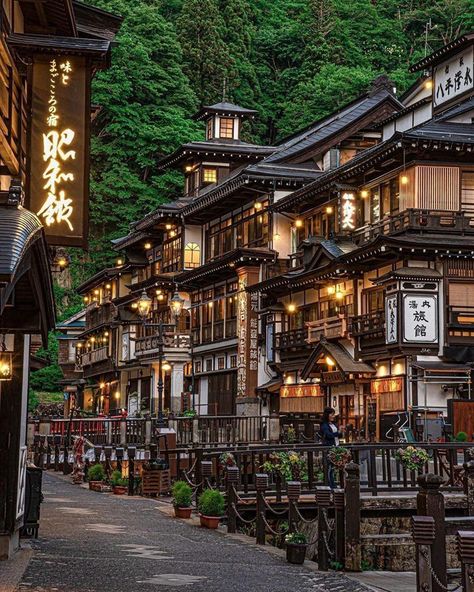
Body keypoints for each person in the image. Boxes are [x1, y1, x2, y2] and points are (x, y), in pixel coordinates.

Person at [320, 407, 343, 489]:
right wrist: (338, 433)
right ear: (327, 415)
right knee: (330, 467)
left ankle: (333, 484)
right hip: (329, 447)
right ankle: (330, 485)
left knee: (333, 467)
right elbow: (328, 435)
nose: (333, 416)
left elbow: (337, 435)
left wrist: (340, 432)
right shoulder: (324, 425)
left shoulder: (333, 424)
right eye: (332, 414)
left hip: (336, 446)